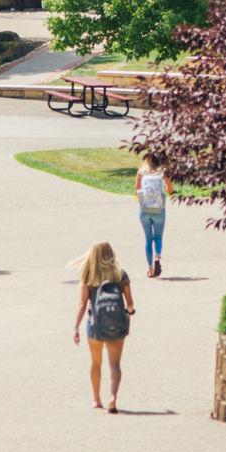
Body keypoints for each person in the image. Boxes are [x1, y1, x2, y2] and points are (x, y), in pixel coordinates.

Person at [72, 241, 135, 413]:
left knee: (96, 363)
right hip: (117, 324)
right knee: (115, 364)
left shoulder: (88, 274)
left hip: (95, 325)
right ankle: (113, 397)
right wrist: (128, 314)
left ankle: (96, 399)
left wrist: (76, 327)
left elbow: (82, 304)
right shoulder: (120, 274)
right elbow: (130, 303)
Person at [135, 157, 174, 278]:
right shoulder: (163, 172)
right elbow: (170, 190)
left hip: (144, 209)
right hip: (159, 210)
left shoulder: (141, 171)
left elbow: (137, 188)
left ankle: (150, 269)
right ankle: (157, 258)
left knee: (148, 239)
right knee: (158, 237)